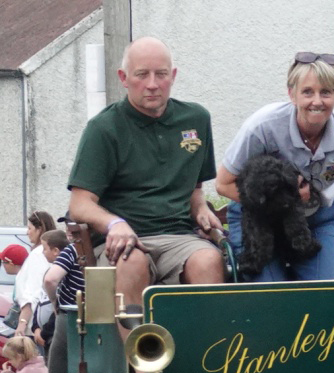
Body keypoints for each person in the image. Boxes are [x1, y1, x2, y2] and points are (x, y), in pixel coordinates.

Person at [214, 52, 334, 302]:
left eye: (326, 92)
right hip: (259, 218)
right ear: (292, 94)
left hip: (315, 219)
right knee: (272, 299)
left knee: (318, 298)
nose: (317, 101)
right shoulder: (263, 125)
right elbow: (222, 184)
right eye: (308, 92)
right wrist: (285, 204)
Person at [66, 37, 225, 305]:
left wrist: (200, 208)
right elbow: (80, 204)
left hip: (179, 237)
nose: (152, 84)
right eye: (142, 74)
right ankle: (136, 336)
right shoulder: (103, 128)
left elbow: (195, 188)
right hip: (123, 240)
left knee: (209, 260)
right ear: (123, 78)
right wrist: (114, 224)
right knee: (131, 262)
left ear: (173, 76)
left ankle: (204, 334)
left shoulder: (196, 119)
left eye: (161, 74)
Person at [42, 226, 85, 373]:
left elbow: (51, 279)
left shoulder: (73, 249)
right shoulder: (113, 246)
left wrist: (54, 301)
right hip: (110, 318)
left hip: (71, 317)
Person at [0, 243, 45, 340]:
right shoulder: (31, 274)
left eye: (3, 262)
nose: (3, 265)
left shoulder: (22, 278)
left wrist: (21, 325)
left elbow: (27, 303)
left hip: (28, 330)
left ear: (11, 263)